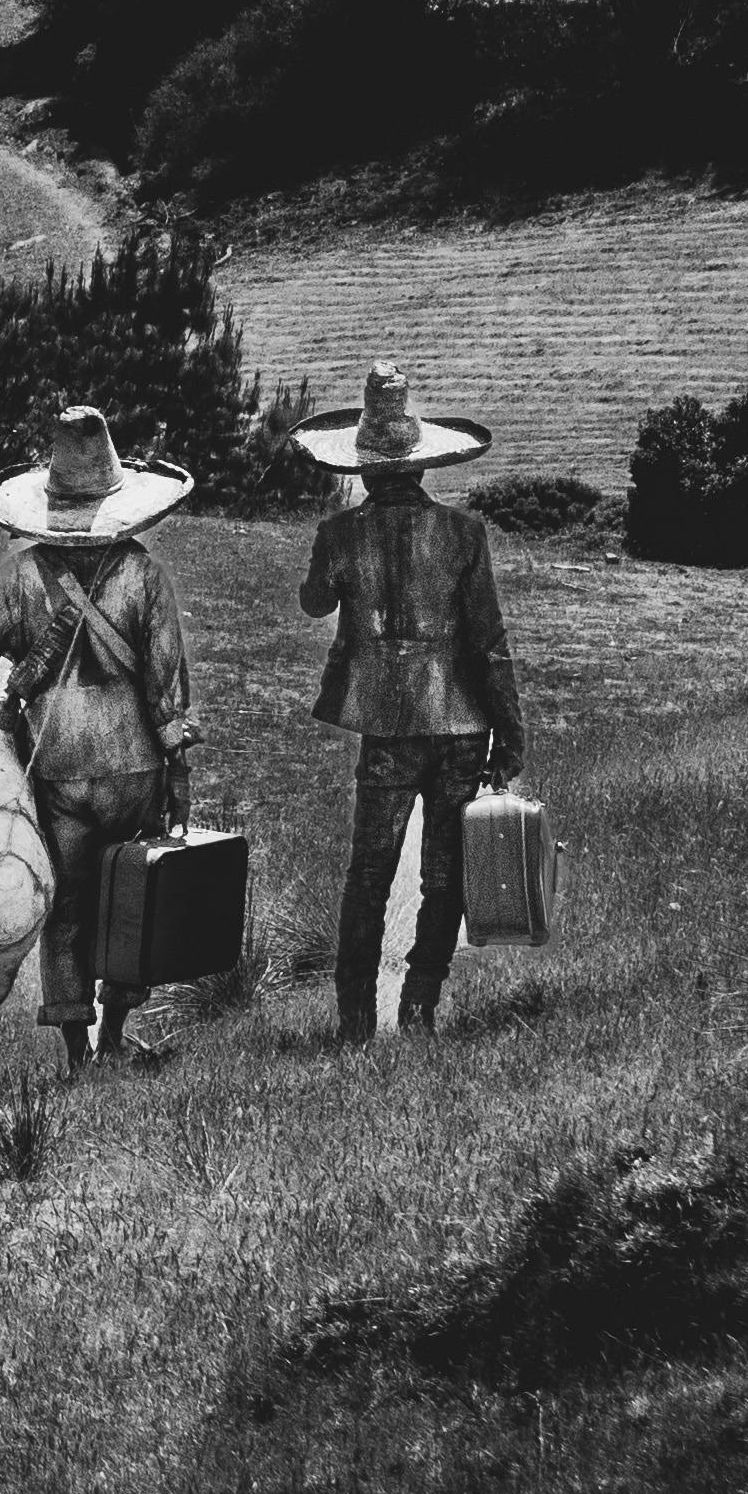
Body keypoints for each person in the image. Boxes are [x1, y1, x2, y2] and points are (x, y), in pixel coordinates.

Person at [0, 404, 202, 1071]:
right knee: (133, 894)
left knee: (64, 903)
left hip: (60, 766)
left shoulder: (19, 577)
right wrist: (177, 767)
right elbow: (165, 684)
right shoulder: (145, 575)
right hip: (135, 766)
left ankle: (74, 1053)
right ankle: (116, 1036)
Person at [297, 362, 526, 1042]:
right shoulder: (462, 534)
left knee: (368, 871)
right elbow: (489, 641)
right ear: (423, 465)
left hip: (385, 723)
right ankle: (420, 1005)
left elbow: (314, 602)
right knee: (444, 873)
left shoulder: (340, 534)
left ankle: (354, 1020)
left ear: (364, 468)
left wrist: (331, 559)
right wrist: (510, 733)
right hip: (459, 721)